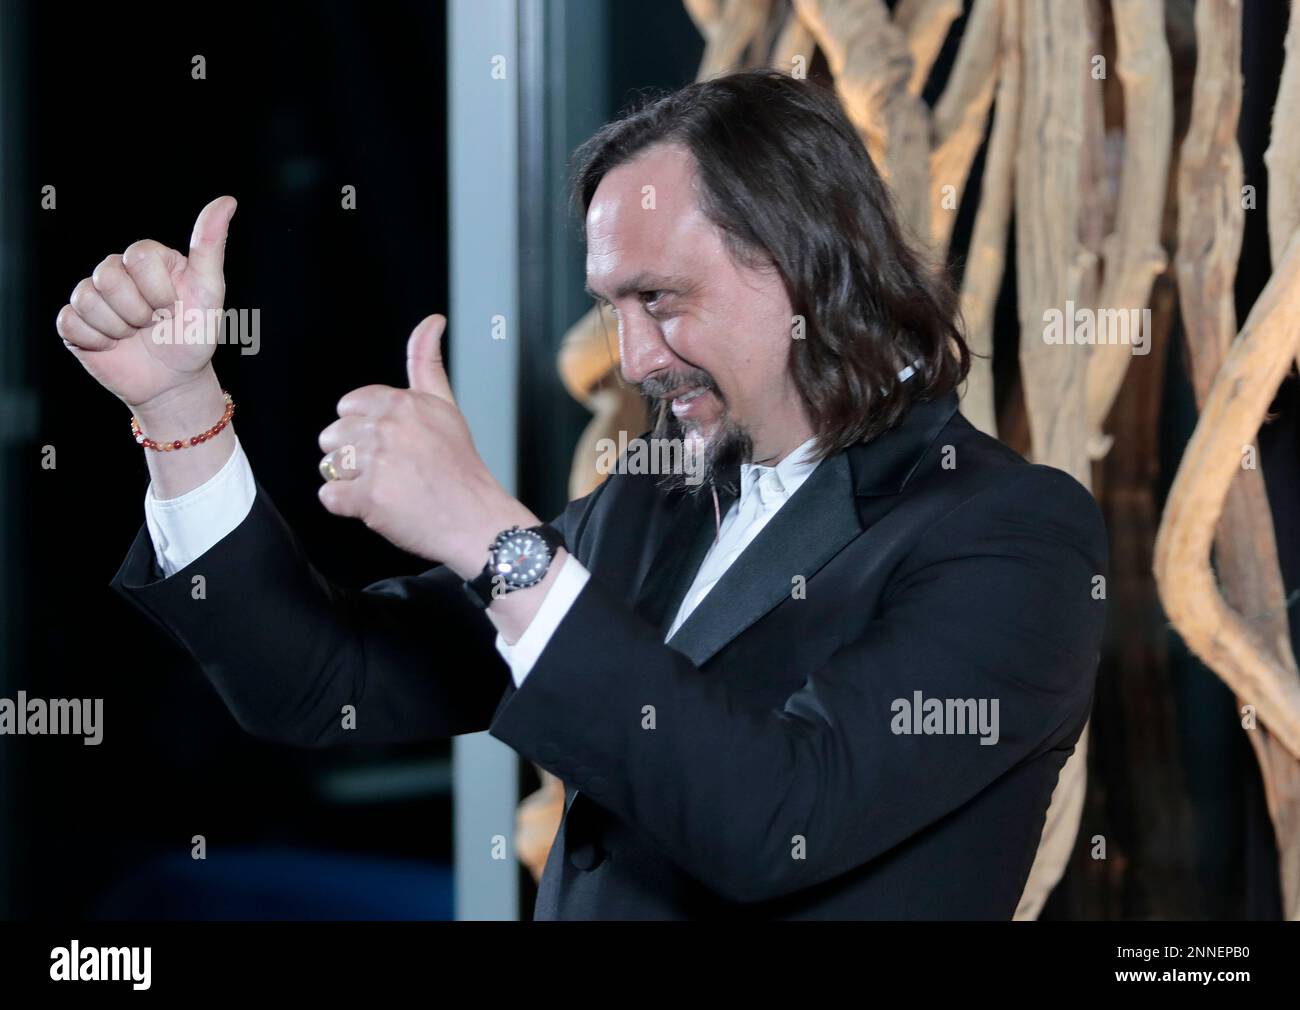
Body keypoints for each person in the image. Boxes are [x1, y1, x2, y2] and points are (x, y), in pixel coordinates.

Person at [55, 69, 1107, 919]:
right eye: (613, 306)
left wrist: (488, 530)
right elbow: (321, 682)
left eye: (660, 299)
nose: (634, 357)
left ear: (806, 269)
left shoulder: (1011, 531)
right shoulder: (652, 507)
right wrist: (181, 408)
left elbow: (776, 818)